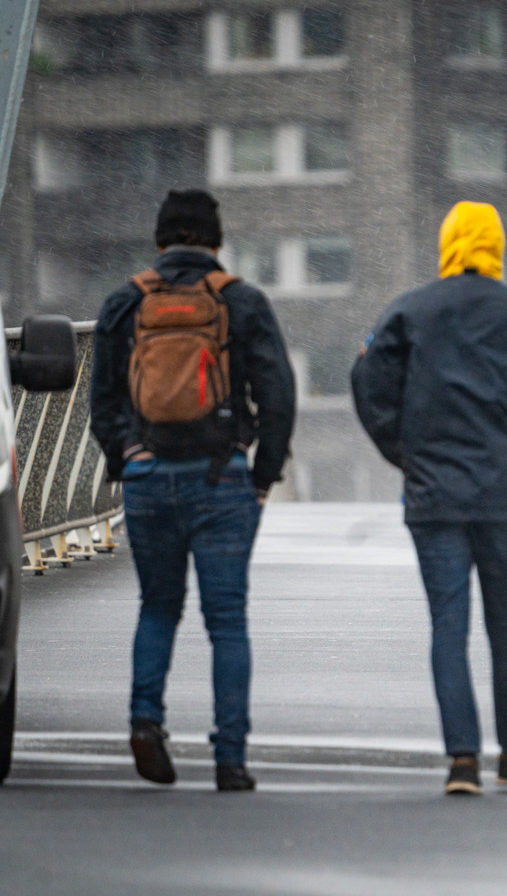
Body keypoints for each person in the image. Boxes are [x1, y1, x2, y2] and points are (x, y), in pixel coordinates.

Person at [351, 201, 507, 796]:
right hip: (500, 492)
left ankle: (461, 761)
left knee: (447, 623)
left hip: (433, 495)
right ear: (496, 246)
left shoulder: (410, 309)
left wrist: (405, 453)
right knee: (505, 621)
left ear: (447, 243)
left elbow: (368, 382)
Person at [90, 189, 296, 792]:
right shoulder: (241, 302)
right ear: (216, 242)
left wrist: (124, 456)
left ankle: (145, 720)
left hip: (148, 476)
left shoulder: (126, 301)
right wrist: (263, 476)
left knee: (158, 607)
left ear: (160, 241)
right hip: (221, 478)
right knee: (226, 620)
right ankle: (230, 759)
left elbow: (102, 398)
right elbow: (278, 394)